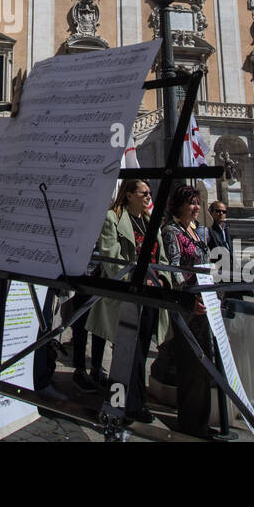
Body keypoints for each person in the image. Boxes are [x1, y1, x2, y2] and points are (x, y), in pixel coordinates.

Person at [88, 179, 157, 424]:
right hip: (127, 294)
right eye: (144, 192)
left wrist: (165, 280)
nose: (149, 196)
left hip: (152, 295)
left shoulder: (150, 221)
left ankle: (135, 399)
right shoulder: (113, 218)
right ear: (128, 195)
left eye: (150, 192)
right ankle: (126, 405)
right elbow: (111, 261)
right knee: (128, 351)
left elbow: (160, 255)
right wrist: (136, 280)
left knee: (141, 351)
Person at [154, 185, 213, 437]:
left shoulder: (197, 230)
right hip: (189, 303)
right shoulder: (171, 231)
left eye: (197, 202)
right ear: (177, 205)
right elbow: (173, 268)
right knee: (191, 363)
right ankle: (191, 422)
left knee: (204, 363)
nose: (196, 206)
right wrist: (187, 296)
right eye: (191, 202)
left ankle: (201, 419)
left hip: (205, 298)